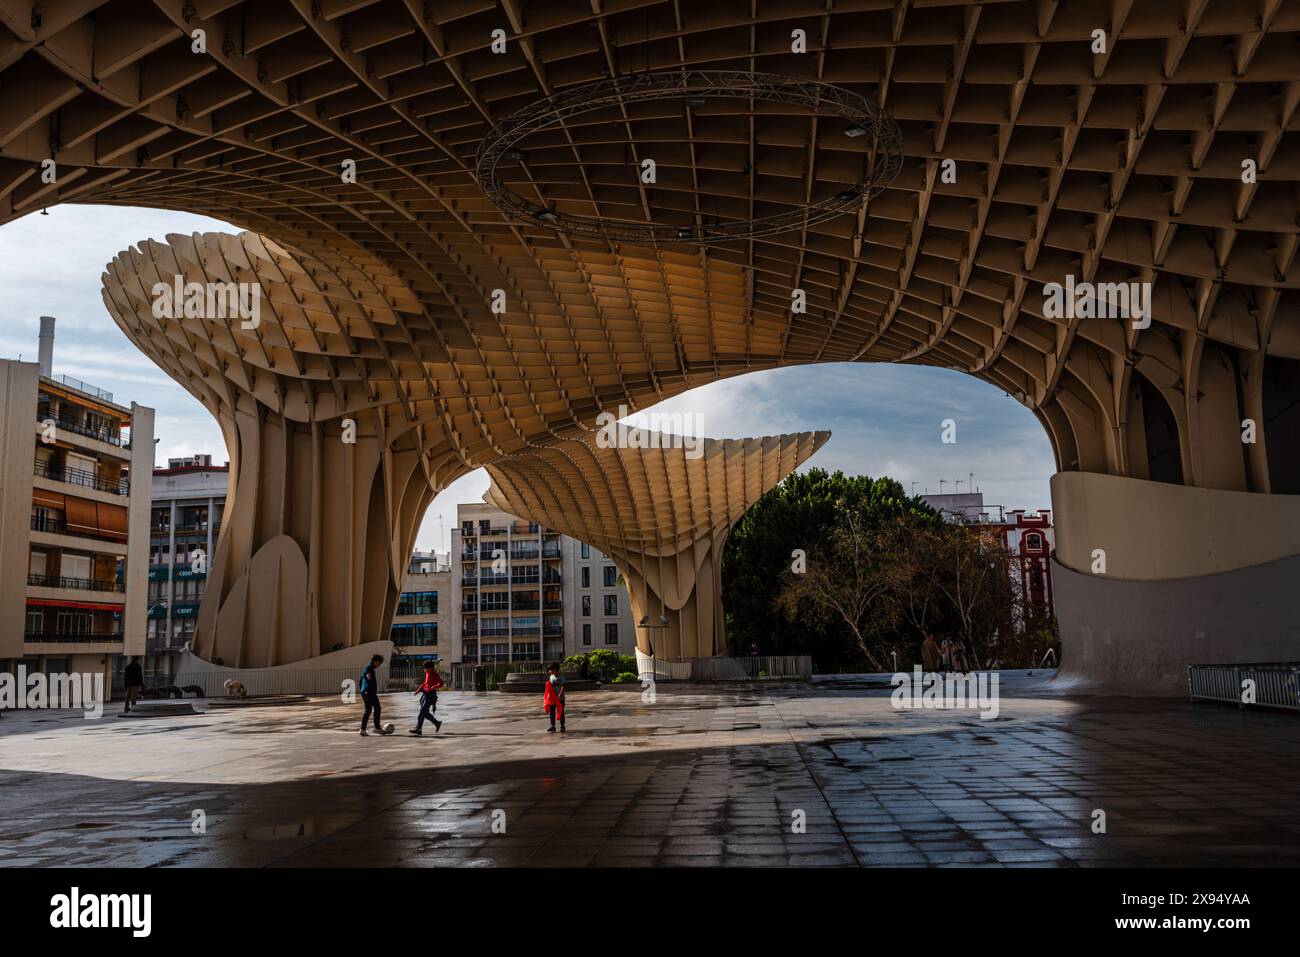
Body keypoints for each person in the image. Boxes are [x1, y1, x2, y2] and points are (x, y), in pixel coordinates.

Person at [409, 661, 444, 736]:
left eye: (426, 668)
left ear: (431, 668)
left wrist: (435, 686)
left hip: (431, 696)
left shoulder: (435, 675)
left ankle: (418, 729)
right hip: (424, 694)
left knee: (422, 712)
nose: (424, 670)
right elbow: (426, 683)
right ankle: (437, 723)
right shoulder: (427, 673)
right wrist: (419, 689)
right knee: (425, 713)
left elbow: (441, 683)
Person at [359, 654, 386, 736]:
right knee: (377, 708)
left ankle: (362, 729)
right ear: (375, 661)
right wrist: (368, 678)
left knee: (368, 710)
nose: (379, 665)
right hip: (369, 692)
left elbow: (362, 679)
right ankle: (377, 727)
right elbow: (367, 676)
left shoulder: (369, 668)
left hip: (365, 692)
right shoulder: (369, 669)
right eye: (379, 663)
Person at [543, 662, 566, 733]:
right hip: (552, 698)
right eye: (550, 670)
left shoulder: (562, 677)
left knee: (561, 711)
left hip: (560, 697)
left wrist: (560, 694)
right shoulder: (551, 677)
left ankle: (562, 726)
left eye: (551, 670)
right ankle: (553, 726)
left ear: (556, 669)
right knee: (552, 712)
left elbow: (563, 686)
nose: (550, 671)